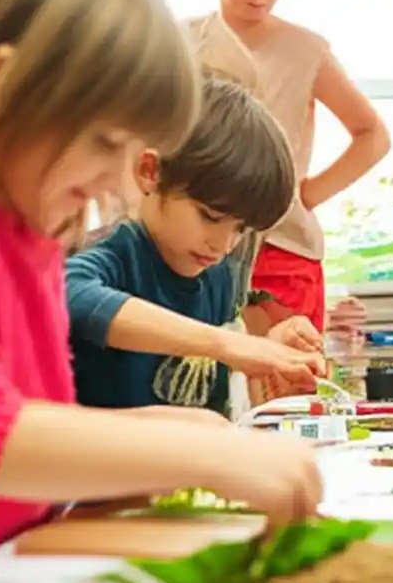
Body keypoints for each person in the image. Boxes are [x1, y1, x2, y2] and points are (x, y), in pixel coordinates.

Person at [0, 0, 323, 583]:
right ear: (4, 84)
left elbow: (36, 422)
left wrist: (179, 426)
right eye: (106, 144)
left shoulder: (30, 230)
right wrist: (200, 453)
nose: (118, 181)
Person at [66, 78, 326, 416]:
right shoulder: (118, 254)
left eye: (241, 228)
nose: (224, 243)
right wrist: (229, 345)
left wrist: (271, 370)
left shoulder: (220, 273)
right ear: (150, 172)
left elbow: (222, 405)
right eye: (211, 216)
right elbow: (67, 291)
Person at [186, 0, 390, 336]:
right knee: (197, 378)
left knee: (286, 379)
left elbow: (373, 136)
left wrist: (306, 194)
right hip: (193, 243)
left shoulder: (305, 50)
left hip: (280, 250)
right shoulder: (179, 42)